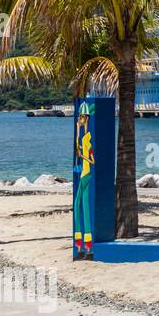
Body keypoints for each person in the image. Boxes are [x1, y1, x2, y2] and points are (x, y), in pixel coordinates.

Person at [73, 102, 95, 259]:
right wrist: (77, 129)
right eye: (79, 117)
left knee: (79, 206)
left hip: (85, 174)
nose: (80, 119)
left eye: (82, 117)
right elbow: (76, 146)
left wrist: (83, 156)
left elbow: (92, 160)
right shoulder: (83, 136)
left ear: (86, 118)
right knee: (83, 207)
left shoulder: (88, 138)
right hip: (84, 174)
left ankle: (83, 243)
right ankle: (84, 244)